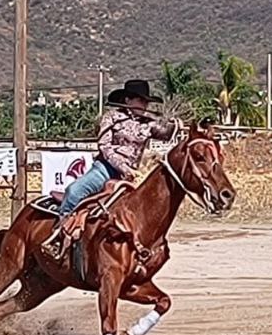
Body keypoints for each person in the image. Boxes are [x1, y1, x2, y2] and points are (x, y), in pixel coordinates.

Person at [45, 79, 177, 256]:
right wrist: (124, 167)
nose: (144, 104)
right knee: (74, 191)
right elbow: (105, 147)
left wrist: (175, 125)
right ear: (127, 100)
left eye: (146, 101)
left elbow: (166, 134)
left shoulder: (149, 123)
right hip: (105, 170)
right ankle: (58, 234)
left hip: (129, 177)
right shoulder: (111, 118)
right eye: (140, 100)